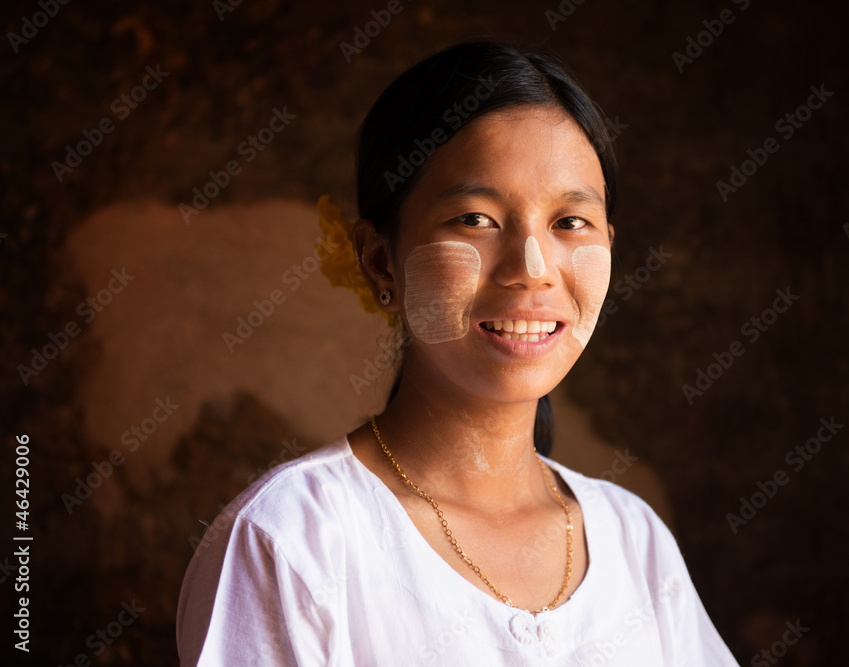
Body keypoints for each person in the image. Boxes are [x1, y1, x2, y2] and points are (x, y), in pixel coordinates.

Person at [176, 39, 739, 666]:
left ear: (609, 243)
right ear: (380, 259)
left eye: (569, 223)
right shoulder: (294, 540)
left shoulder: (633, 540)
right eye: (475, 219)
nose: (532, 270)